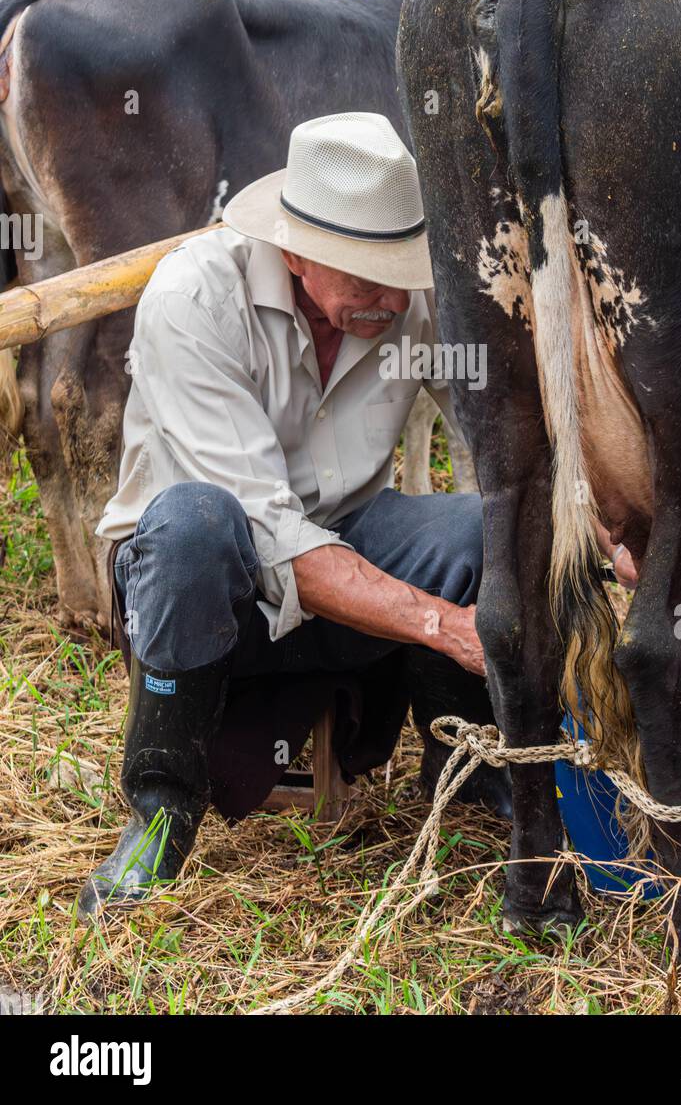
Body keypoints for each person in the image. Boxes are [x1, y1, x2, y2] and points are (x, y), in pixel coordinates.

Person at [79, 111, 635, 919]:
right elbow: (266, 533)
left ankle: (475, 773)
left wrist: (605, 528)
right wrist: (444, 624)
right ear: (296, 250)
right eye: (363, 276)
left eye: (398, 271)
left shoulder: (407, 303)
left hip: (345, 546)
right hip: (205, 592)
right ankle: (160, 811)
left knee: (491, 530)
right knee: (197, 525)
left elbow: (516, 442)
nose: (386, 296)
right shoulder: (195, 295)